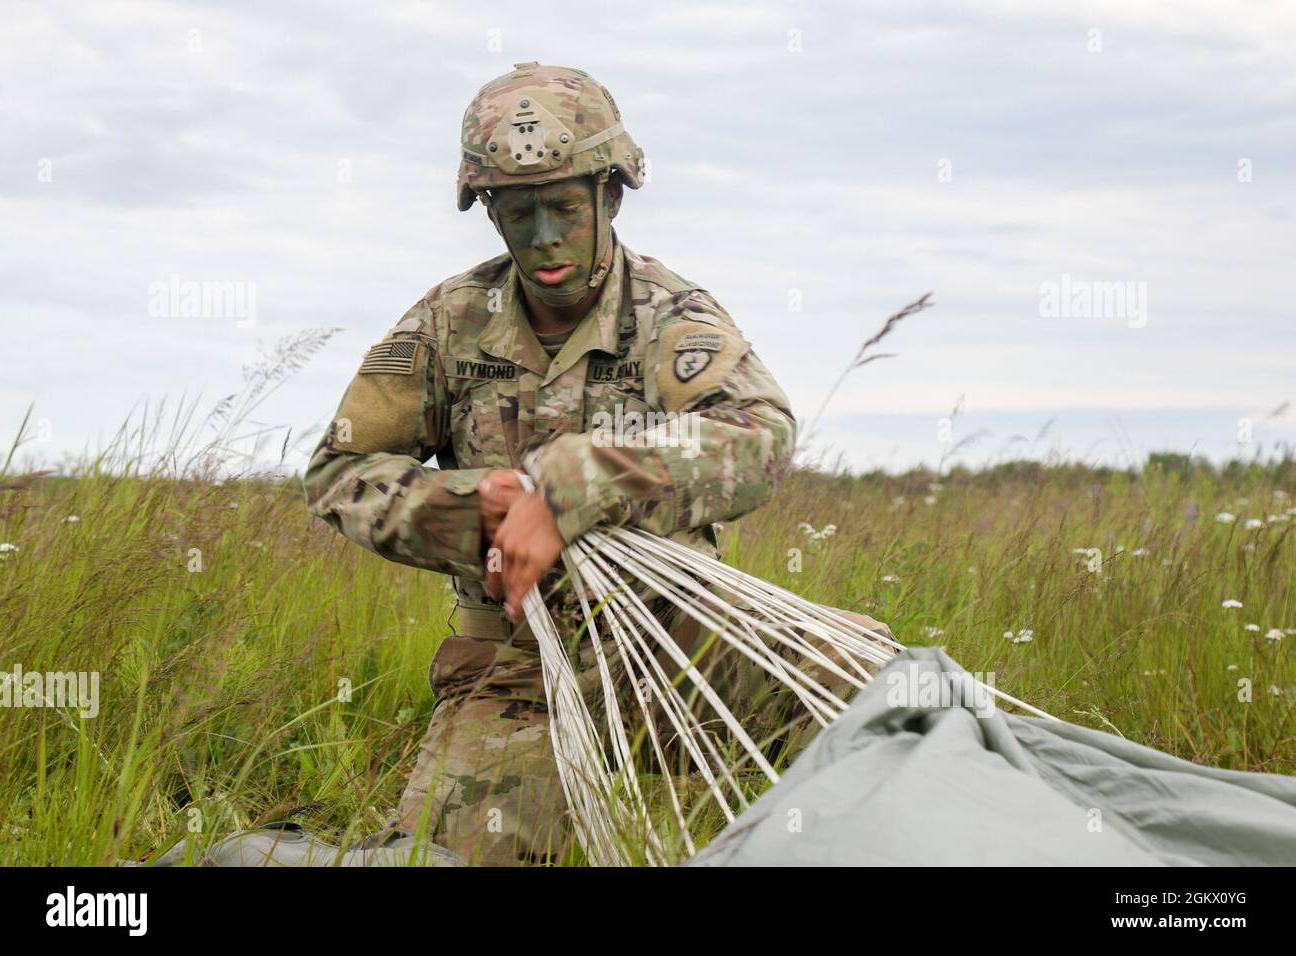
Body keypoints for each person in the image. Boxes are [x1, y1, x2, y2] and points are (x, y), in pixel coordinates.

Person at [305, 62, 892, 865]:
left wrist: (580, 483)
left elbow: (761, 437)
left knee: (896, 706)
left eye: (564, 209)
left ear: (610, 196)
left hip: (678, 640)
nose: (544, 238)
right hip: (519, 673)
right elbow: (339, 471)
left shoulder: (669, 314)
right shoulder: (449, 322)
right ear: (489, 213)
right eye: (518, 214)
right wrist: (476, 506)